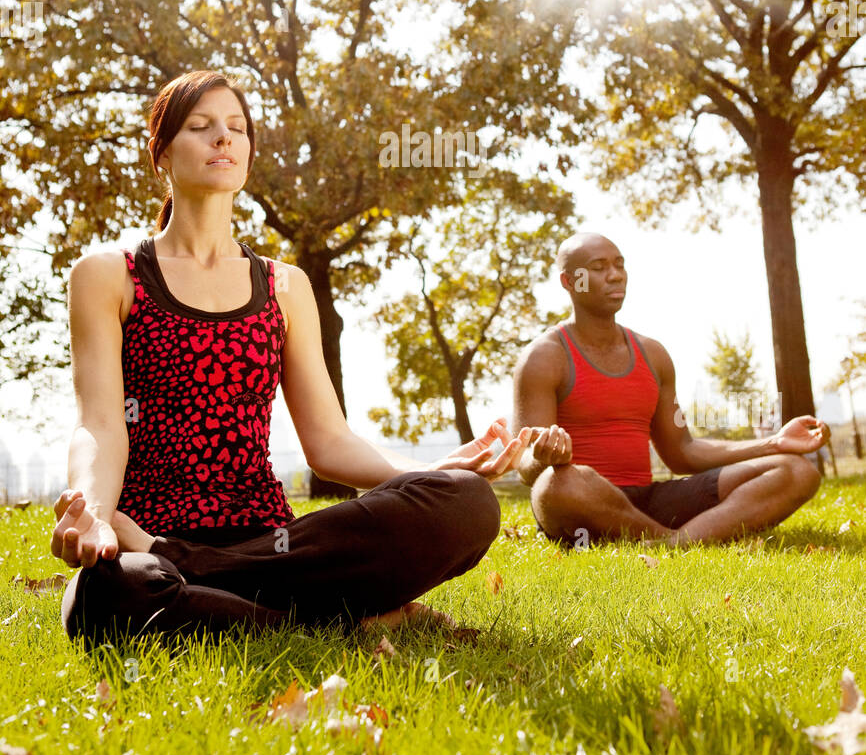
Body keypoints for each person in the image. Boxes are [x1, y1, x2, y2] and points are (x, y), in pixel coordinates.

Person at [55, 70, 530, 648]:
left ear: (249, 153)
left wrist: (425, 477)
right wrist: (94, 512)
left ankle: (223, 590)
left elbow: (328, 442)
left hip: (279, 544)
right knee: (106, 595)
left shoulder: (285, 285)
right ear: (161, 154)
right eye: (200, 127)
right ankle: (336, 622)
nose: (222, 139)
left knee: (467, 501)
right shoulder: (108, 274)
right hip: (143, 539)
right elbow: (101, 423)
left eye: (236, 128)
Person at [513, 231, 829, 547]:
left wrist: (774, 443)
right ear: (569, 282)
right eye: (599, 267)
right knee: (555, 487)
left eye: (620, 265)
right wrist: (542, 456)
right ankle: (682, 539)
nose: (615, 276)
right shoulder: (543, 357)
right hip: (583, 499)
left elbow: (683, 452)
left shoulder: (653, 354)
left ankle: (671, 543)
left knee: (796, 470)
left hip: (650, 501)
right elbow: (525, 466)